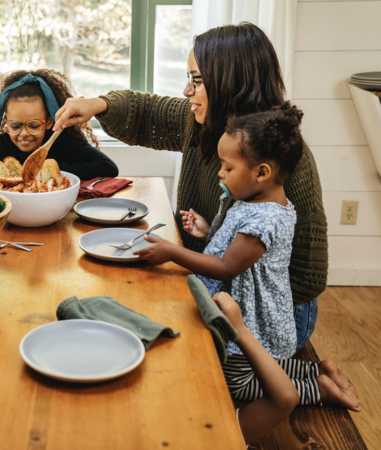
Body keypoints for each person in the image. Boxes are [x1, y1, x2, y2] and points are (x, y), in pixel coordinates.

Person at [52, 23, 326, 351]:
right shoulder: (204, 123)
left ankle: (312, 383)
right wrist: (98, 104)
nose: (186, 91)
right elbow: (147, 112)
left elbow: (308, 276)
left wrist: (231, 298)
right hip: (215, 286)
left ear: (230, 83)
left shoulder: (281, 155)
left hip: (271, 317)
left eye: (196, 81)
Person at [133, 103, 360, 412]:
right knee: (264, 365)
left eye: (228, 167)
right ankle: (316, 370)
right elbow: (234, 247)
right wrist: (206, 233)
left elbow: (227, 267)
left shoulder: (263, 220)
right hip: (257, 312)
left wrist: (172, 252)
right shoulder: (259, 202)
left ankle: (316, 389)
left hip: (253, 319)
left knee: (236, 380)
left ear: (261, 172)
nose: (220, 172)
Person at [0, 69, 118, 180]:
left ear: (49, 122)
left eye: (33, 125)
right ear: (5, 123)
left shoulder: (61, 142)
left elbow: (109, 168)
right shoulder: (3, 144)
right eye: (15, 126)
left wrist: (46, 169)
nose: (23, 133)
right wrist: (11, 173)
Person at [211, 291, 300, 445]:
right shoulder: (217, 440)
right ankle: (317, 385)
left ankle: (317, 379)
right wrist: (239, 330)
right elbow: (284, 398)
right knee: (239, 383)